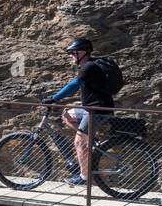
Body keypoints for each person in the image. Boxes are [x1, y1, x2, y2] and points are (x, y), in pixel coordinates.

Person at [42, 37, 115, 185]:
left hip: (97, 111)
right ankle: (90, 141)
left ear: (83, 52)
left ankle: (83, 177)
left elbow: (74, 85)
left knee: (79, 142)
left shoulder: (88, 66)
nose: (71, 56)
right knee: (68, 115)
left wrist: (54, 98)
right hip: (92, 109)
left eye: (73, 53)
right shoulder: (89, 66)